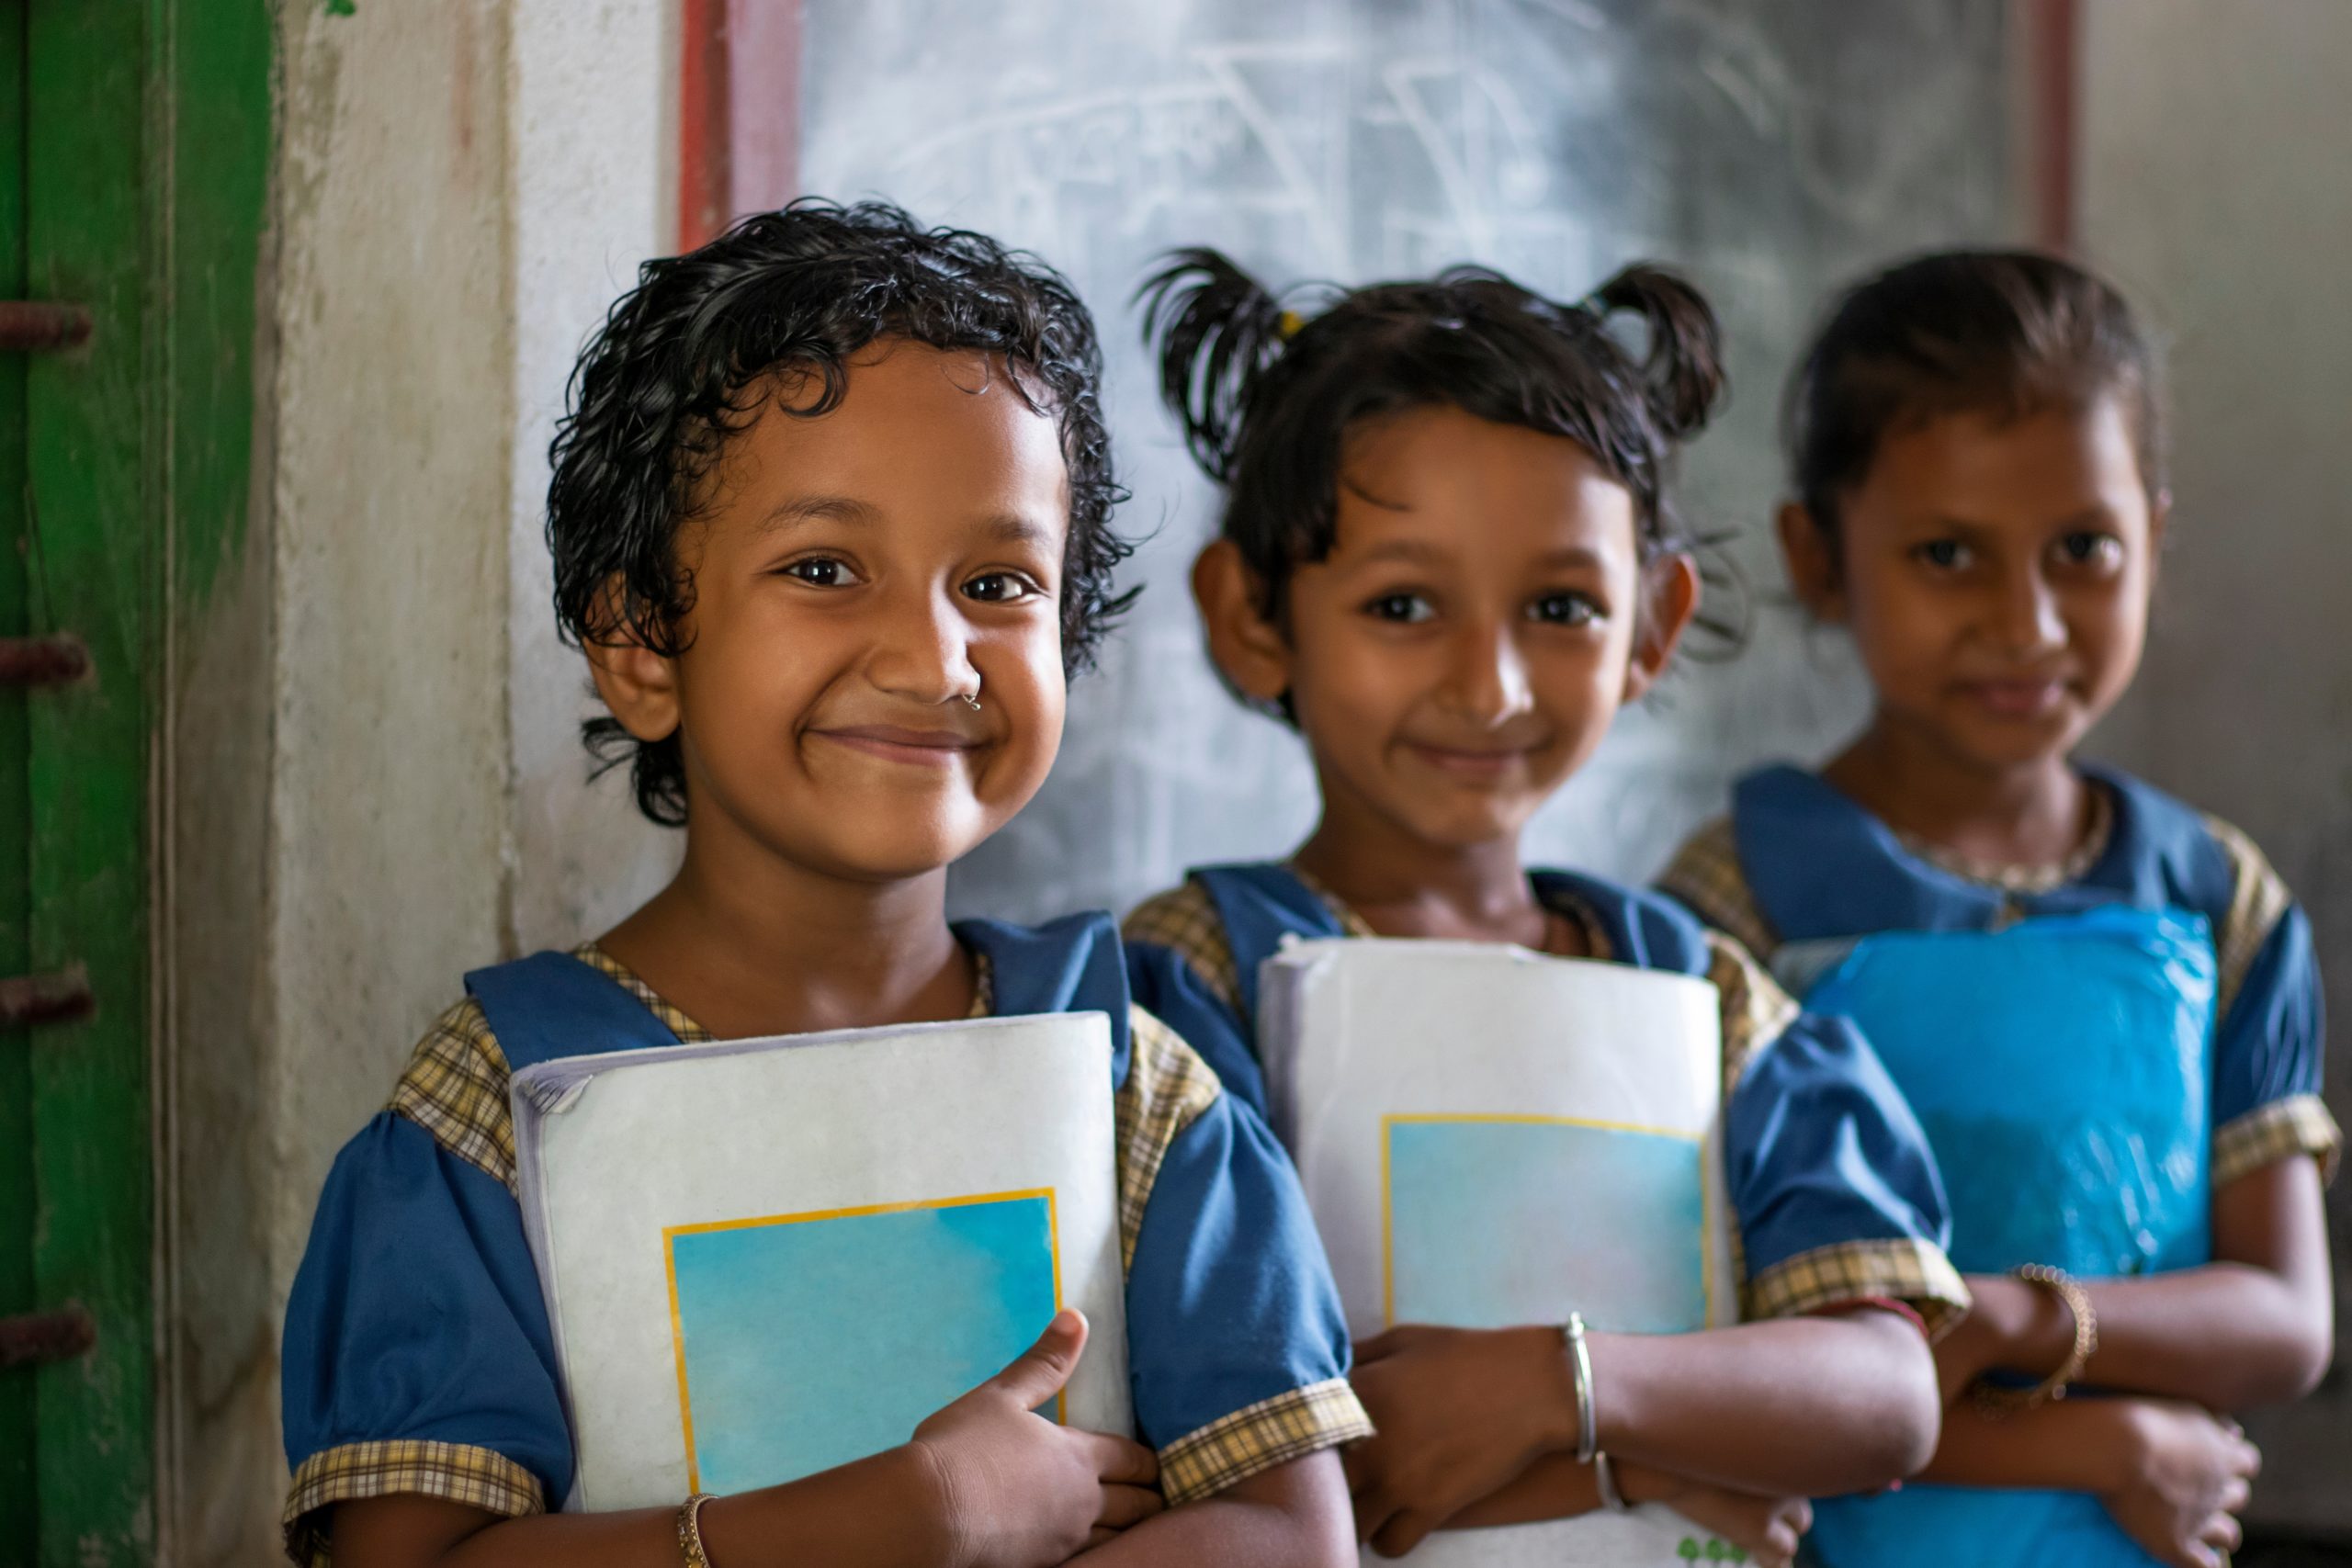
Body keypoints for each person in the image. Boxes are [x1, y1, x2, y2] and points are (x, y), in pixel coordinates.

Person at [278, 202, 1370, 1568]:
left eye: (996, 581)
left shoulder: (1137, 1094)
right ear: (640, 647)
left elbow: (1293, 1538)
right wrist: (906, 1522)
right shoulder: (491, 1119)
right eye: (822, 569)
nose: (934, 659)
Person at [1122, 249, 1964, 1566]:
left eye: (1561, 606)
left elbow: (1888, 1394)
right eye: (1403, 605)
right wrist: (1650, 1470)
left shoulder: (1703, 993)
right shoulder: (1190, 982)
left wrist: (1553, 1390)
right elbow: (1233, 1456)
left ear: (1652, 626)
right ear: (1254, 617)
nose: (1494, 686)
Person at [1661, 249, 2337, 1568]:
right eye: (1948, 554)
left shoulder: (2217, 894)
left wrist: (2017, 1321)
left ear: (2154, 533)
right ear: (1818, 555)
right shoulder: (1735, 898)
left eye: (2083, 548)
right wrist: (2103, 1439)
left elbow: (2285, 1317)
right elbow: (1705, 1342)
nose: (2026, 622)